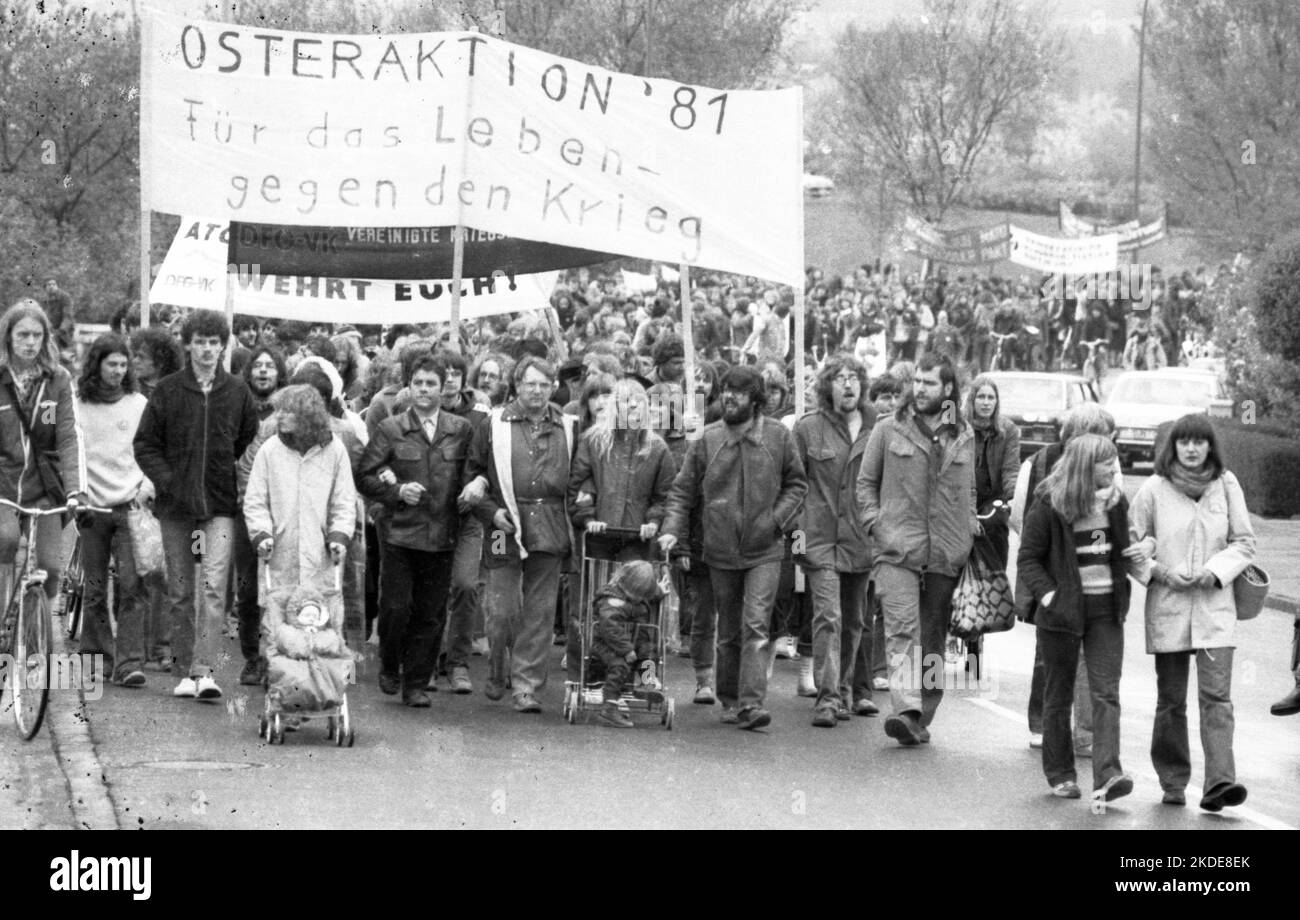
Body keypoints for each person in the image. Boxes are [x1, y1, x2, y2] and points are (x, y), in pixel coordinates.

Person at [660, 365, 808, 730]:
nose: (728, 397)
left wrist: (775, 521)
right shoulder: (706, 440)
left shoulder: (778, 437)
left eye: (738, 392)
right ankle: (728, 698)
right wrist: (671, 530)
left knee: (756, 626)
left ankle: (751, 704)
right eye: (725, 390)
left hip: (765, 549)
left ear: (755, 400)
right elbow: (682, 491)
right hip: (720, 549)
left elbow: (797, 485)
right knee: (727, 629)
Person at [1128, 414, 1256, 811]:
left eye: (1199, 441)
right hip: (1168, 606)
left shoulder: (1226, 484)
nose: (1192, 448)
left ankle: (1219, 782)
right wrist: (1160, 573)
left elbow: (1244, 542)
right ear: (1174, 446)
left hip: (1215, 609)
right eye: (1184, 441)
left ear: (1209, 446)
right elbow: (1131, 550)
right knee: (1171, 700)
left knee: (1217, 698)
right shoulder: (1153, 489)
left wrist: (1213, 572)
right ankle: (1172, 780)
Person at [134, 308, 259, 701]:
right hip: (176, 509)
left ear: (223, 345)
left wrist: (218, 473)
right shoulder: (169, 390)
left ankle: (205, 670)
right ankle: (185, 669)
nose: (207, 349)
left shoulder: (237, 391)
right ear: (188, 345)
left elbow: (243, 437)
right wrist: (170, 482)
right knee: (181, 588)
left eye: (213, 342)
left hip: (219, 506)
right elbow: (145, 445)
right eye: (200, 341)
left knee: (214, 587)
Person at [856, 356, 976, 746]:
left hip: (944, 552)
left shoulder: (963, 434)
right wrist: (877, 525)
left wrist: (964, 539)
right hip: (897, 548)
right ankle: (905, 709)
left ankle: (923, 713)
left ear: (948, 390)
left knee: (933, 639)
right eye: (918, 382)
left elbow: (967, 492)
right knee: (902, 631)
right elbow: (865, 484)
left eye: (930, 383)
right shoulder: (889, 429)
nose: (921, 388)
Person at [1017, 433, 1136, 804]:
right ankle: (1061, 775)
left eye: (1113, 461)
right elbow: (1028, 559)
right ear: (1086, 466)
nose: (1113, 468)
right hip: (1063, 614)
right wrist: (1052, 596)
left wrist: (1146, 558)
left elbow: (1116, 551)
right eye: (1106, 462)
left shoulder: (1115, 503)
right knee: (1059, 694)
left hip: (1105, 612)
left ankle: (1108, 774)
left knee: (1106, 693)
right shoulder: (1050, 503)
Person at [357, 354, 473, 707]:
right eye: (418, 383)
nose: (424, 390)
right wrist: (396, 492)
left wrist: (473, 490)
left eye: (431, 383)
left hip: (441, 534)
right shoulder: (391, 428)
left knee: (431, 612)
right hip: (400, 533)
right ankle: (390, 664)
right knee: (395, 607)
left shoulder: (461, 429)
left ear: (444, 388)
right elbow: (364, 475)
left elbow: (471, 473)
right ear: (409, 385)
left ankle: (417, 683)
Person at [467, 356, 578, 714]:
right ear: (516, 385)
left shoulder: (568, 425)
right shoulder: (493, 423)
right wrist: (490, 512)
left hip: (550, 524)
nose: (537, 391)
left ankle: (527, 686)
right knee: (501, 609)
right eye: (530, 383)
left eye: (545, 385)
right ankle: (498, 667)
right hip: (502, 526)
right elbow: (472, 474)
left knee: (541, 610)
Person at [1011, 402, 1122, 753]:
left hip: (1095, 589)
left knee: (1088, 663)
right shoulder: (1040, 464)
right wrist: (1050, 570)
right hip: (1051, 574)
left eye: (1102, 437)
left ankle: (1086, 735)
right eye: (1088, 436)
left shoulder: (1107, 469)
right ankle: (1042, 724)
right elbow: (1019, 516)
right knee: (1049, 654)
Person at [243, 384, 357, 701]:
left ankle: (322, 689)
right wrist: (262, 533)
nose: (280, 418)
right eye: (279, 412)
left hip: (321, 557)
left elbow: (344, 501)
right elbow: (255, 501)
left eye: (288, 412)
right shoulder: (269, 452)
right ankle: (282, 688)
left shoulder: (335, 452)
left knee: (321, 624)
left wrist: (338, 536)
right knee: (278, 626)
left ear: (307, 416)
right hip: (278, 554)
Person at [567, 378, 677, 682]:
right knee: (598, 607)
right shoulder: (593, 440)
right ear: (615, 405)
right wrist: (588, 518)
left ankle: (642, 675)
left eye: (638, 400)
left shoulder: (657, 448)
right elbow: (580, 485)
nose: (632, 406)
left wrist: (653, 522)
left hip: (636, 541)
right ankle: (593, 671)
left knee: (641, 610)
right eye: (625, 400)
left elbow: (665, 495)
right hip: (600, 538)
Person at [793, 356, 878, 727]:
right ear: (828, 386)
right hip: (818, 538)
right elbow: (792, 486)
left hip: (862, 538)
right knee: (829, 615)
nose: (848, 384)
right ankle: (827, 699)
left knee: (855, 619)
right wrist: (796, 544)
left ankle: (844, 691)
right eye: (840, 378)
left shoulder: (879, 429)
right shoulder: (808, 428)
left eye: (854, 378)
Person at [0, 301, 87, 613]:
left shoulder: (58, 379)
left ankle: (43, 633)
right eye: (22, 334)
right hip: (4, 487)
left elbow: (69, 435)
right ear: (8, 336)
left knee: (51, 565)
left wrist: (76, 488)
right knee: (6, 540)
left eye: (37, 335)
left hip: (46, 487)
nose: (30, 342)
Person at [74, 335, 151, 686]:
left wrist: (147, 488)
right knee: (93, 587)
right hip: (92, 508)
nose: (118, 371)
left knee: (132, 586)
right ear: (97, 365)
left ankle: (129, 662)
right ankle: (96, 657)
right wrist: (79, 493)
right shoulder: (77, 404)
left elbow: (152, 447)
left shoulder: (139, 404)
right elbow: (71, 451)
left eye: (124, 365)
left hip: (130, 505)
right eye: (112, 364)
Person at [227, 344, 288, 685]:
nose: (264, 371)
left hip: (285, 511)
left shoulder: (291, 412)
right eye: (258, 365)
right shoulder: (238, 406)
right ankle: (253, 656)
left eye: (271, 366)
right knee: (248, 587)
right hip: (246, 507)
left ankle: (279, 655)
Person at [589, 560, 669, 729]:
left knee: (649, 651)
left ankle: (648, 682)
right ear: (626, 586)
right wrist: (626, 650)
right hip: (607, 644)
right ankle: (609, 708)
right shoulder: (611, 601)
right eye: (638, 595)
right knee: (620, 666)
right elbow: (610, 629)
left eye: (643, 596)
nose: (640, 599)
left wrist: (659, 590)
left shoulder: (635, 594)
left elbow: (648, 595)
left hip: (634, 639)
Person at [41, 278, 74, 346]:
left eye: (54, 284)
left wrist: (60, 331)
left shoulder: (65, 297)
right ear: (45, 288)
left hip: (63, 332)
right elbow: (42, 316)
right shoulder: (44, 300)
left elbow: (68, 317)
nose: (52, 286)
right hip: (48, 331)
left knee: (59, 350)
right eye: (49, 284)